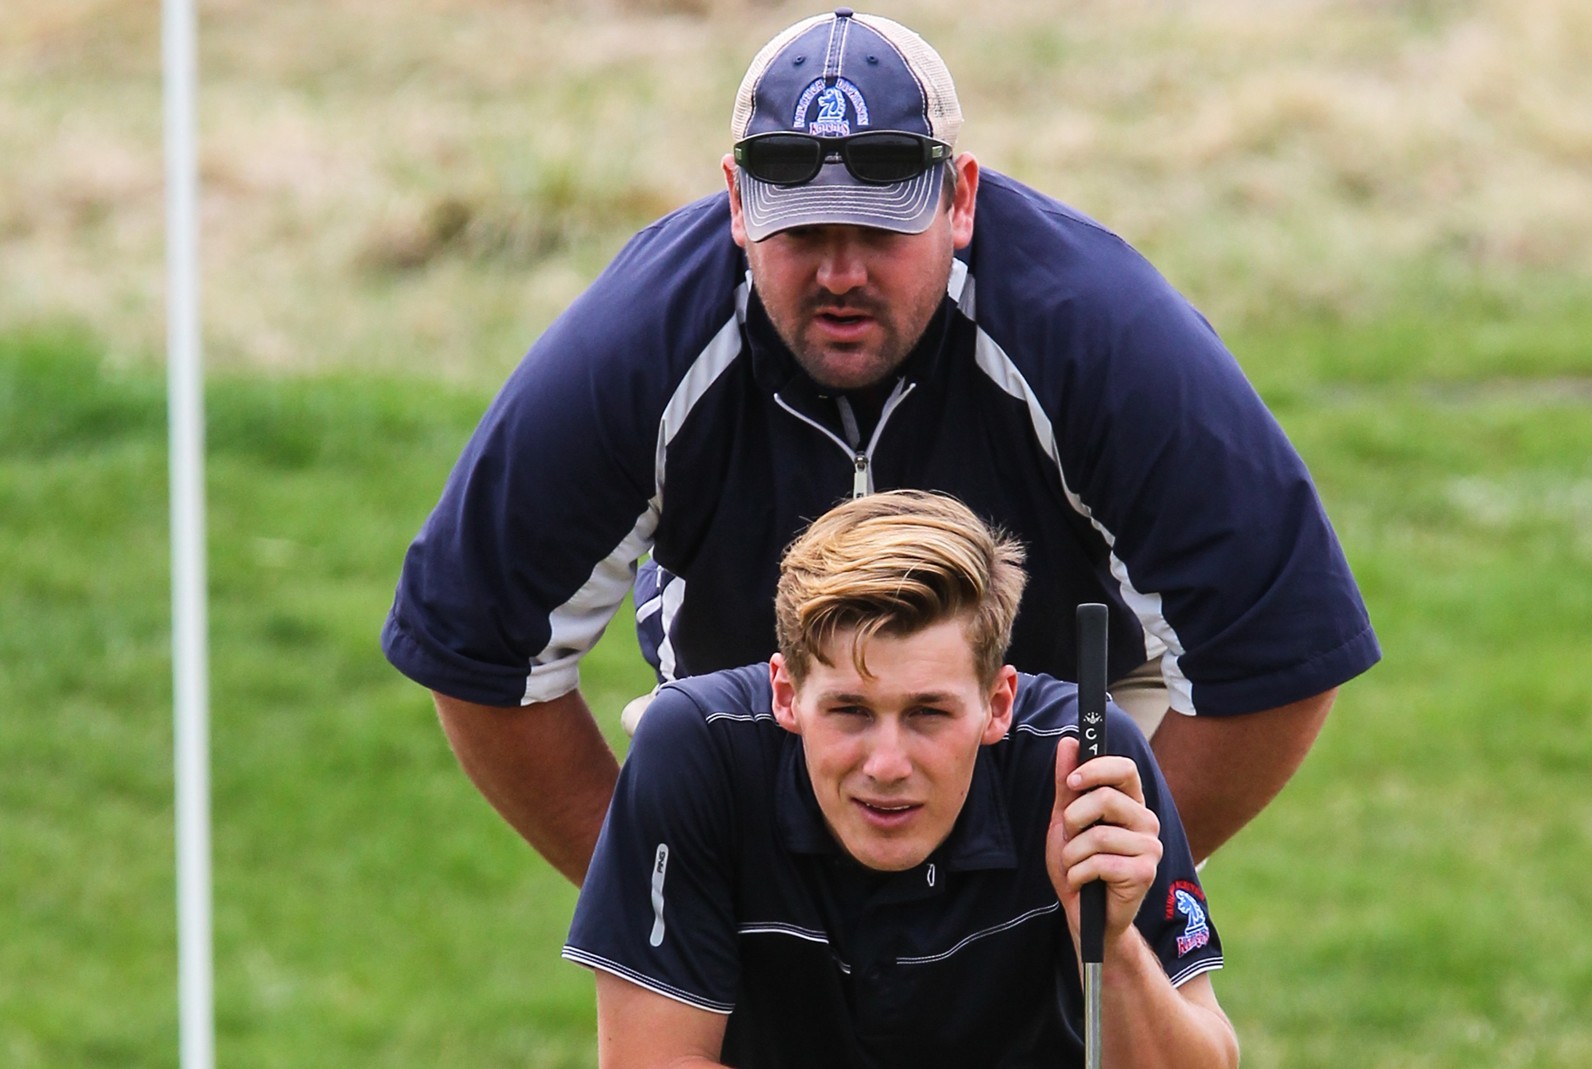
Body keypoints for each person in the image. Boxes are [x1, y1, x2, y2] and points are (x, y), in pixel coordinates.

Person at [381, 9, 1380, 886]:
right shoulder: (638, 346)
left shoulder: (1100, 336)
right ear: (737, 204)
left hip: (1061, 742)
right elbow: (477, 642)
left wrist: (1082, 895)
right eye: (804, 234)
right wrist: (654, 900)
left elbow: (1273, 648)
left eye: (880, 229)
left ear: (960, 200)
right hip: (752, 737)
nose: (841, 273)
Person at [563, 490, 1239, 1068]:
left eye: (928, 713)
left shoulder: (1086, 761)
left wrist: (1113, 940)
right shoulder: (694, 751)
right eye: (851, 711)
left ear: (998, 703)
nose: (886, 764)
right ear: (787, 692)